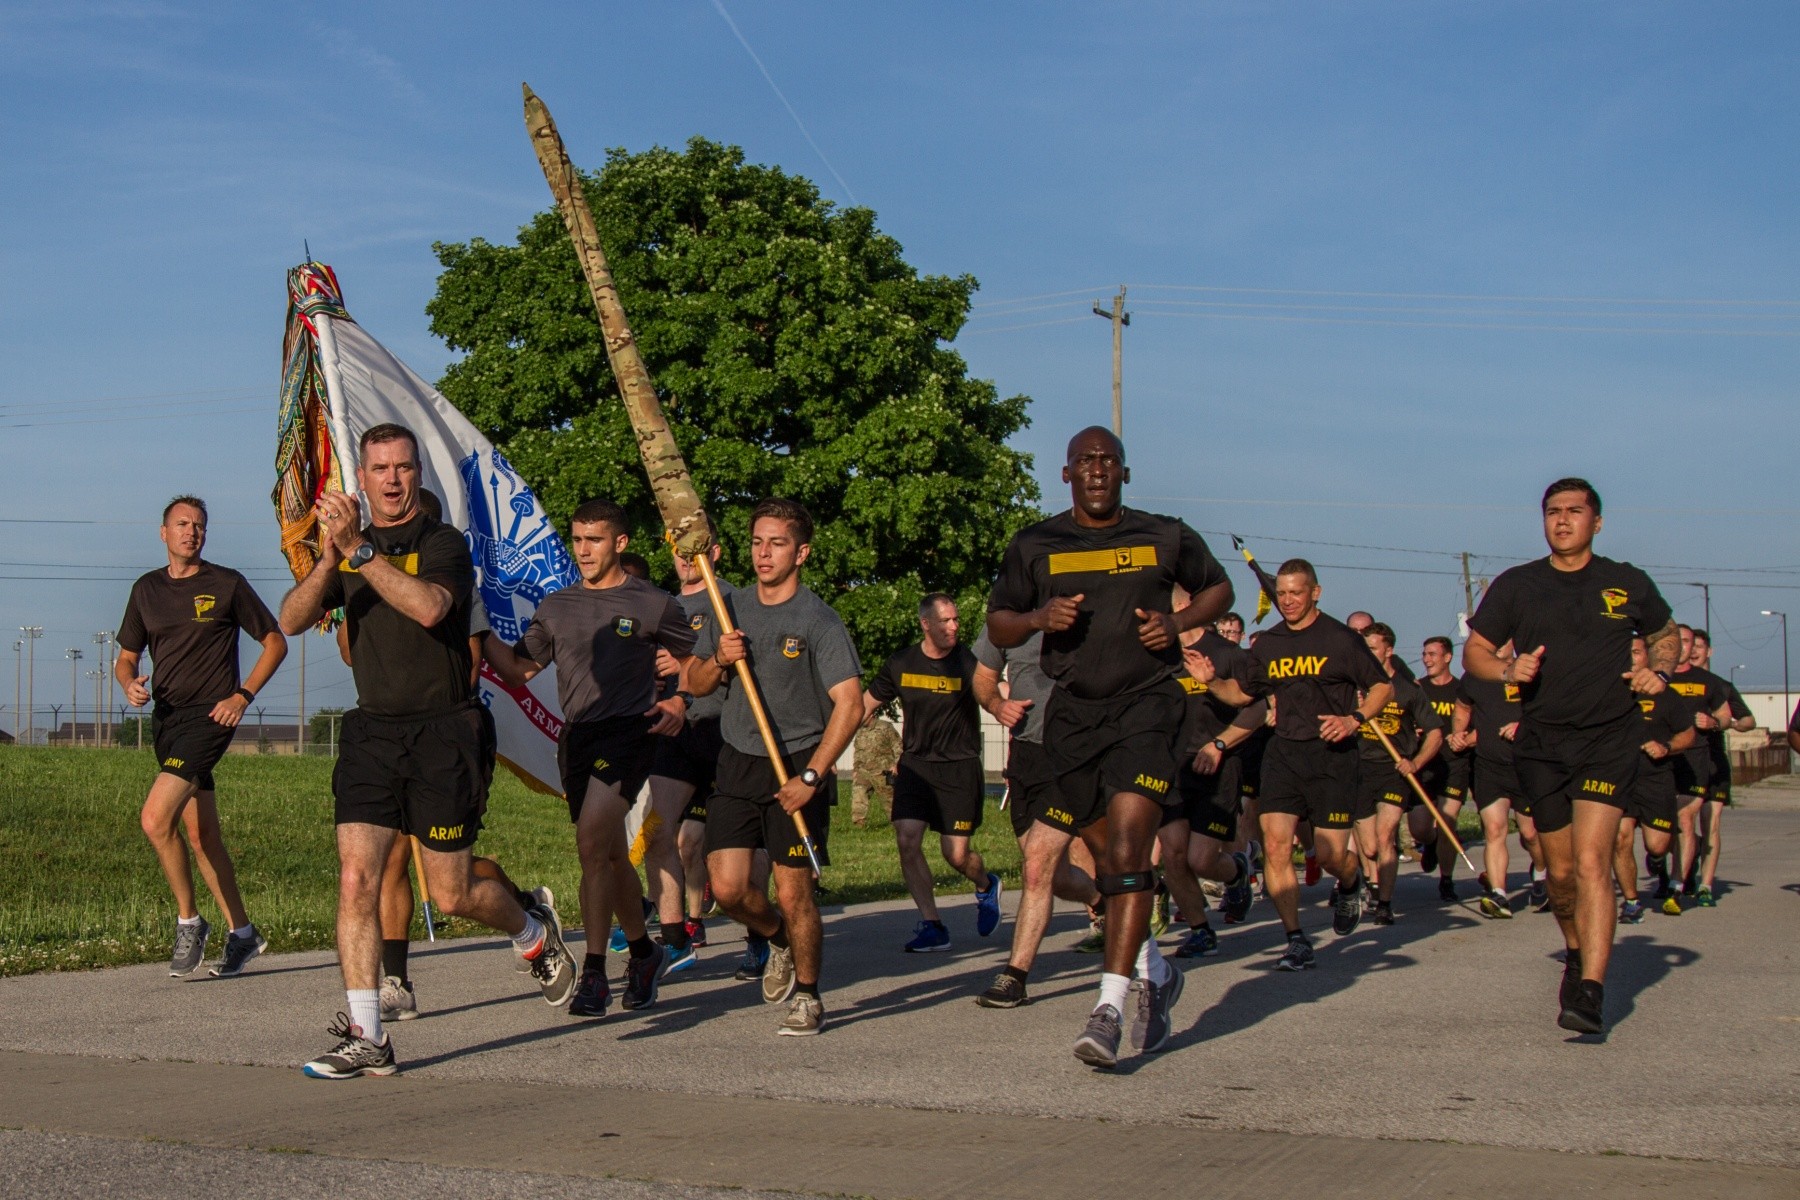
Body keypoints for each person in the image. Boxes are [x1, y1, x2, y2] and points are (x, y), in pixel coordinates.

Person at [279, 423, 577, 1078]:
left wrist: (360, 553)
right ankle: (369, 1035)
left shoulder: (444, 544)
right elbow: (292, 620)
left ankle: (529, 927)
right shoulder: (349, 552)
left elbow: (429, 607)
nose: (392, 478)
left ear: (417, 473)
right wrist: (331, 559)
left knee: (452, 894)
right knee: (358, 877)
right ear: (365, 475)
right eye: (380, 468)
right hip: (373, 732)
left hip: (445, 732)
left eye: (403, 467)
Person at [987, 426, 1232, 1068]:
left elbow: (1219, 589)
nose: (1096, 469)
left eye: (1107, 460)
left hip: (1148, 706)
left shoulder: (1163, 535)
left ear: (1124, 471)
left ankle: (1109, 1007)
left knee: (1128, 849)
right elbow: (998, 620)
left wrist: (1177, 624)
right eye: (1084, 461)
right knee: (1098, 852)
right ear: (1066, 475)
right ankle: (1157, 971)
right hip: (1074, 717)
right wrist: (1040, 620)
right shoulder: (1036, 544)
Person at [1463, 477, 1677, 1035]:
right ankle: (1576, 952)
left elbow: (1665, 633)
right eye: (1553, 512)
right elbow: (1476, 651)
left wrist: (1661, 668)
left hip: (1608, 739)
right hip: (1543, 744)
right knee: (1559, 874)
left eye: (1575, 512)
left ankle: (1590, 991)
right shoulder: (1518, 586)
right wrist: (1507, 670)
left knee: (1591, 864)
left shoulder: (1625, 582)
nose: (1562, 521)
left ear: (1596, 522)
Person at [480, 499, 698, 1018]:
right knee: (605, 854)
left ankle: (595, 971)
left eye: (594, 540)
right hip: (576, 739)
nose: (582, 550)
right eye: (577, 539)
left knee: (590, 840)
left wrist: (680, 699)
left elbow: (700, 662)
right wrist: (473, 626)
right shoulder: (557, 606)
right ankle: (646, 953)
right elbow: (518, 669)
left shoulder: (654, 603)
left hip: (630, 733)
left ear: (619, 543)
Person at [355, 489, 557, 1024]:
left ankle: (522, 904)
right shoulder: (371, 575)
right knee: (393, 859)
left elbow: (490, 664)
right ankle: (395, 979)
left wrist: (559, 641)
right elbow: (353, 652)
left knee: (448, 877)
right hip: (390, 735)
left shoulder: (455, 586)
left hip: (447, 734)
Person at [686, 498, 865, 1037]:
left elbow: (850, 704)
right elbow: (692, 683)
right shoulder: (728, 606)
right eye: (758, 542)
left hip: (796, 764)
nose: (764, 553)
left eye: (778, 543)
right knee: (728, 888)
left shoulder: (818, 620)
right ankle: (778, 938)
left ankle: (809, 996)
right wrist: (718, 658)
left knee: (794, 892)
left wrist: (812, 776)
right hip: (739, 757)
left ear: (801, 552)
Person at [116, 495, 288, 979]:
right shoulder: (146, 589)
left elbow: (275, 641)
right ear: (164, 532)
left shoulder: (227, 583)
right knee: (201, 835)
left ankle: (189, 921)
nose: (192, 532)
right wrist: (128, 682)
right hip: (166, 721)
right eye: (182, 524)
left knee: (155, 819)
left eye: (199, 525)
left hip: (210, 719)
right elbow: (126, 657)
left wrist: (243, 695)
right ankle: (244, 935)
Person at [1207, 561, 1391, 971]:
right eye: (1282, 594)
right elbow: (1242, 695)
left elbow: (1382, 685)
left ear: (1315, 593)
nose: (1287, 601)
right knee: (1275, 846)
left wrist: (1353, 720)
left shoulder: (1341, 640)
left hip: (1333, 757)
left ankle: (1349, 880)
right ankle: (1295, 938)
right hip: (1284, 754)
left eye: (1296, 592)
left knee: (1328, 854)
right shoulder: (1268, 643)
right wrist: (1211, 682)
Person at [971, 627, 1100, 1007]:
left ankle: (1015, 976)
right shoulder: (1011, 616)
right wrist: (996, 705)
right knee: (1054, 876)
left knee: (1036, 866)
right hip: (1026, 756)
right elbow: (983, 678)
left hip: (1075, 755)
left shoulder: (1089, 615)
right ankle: (1102, 898)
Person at [866, 593, 1001, 952]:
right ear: (926, 624)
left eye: (956, 619)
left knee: (956, 856)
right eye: (946, 621)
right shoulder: (902, 663)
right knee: (907, 839)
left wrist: (1008, 706)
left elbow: (993, 694)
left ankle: (986, 886)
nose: (955, 626)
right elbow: (863, 705)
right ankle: (933, 925)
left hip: (958, 767)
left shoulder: (968, 663)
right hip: (915, 765)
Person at [643, 541, 735, 971]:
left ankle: (760, 937)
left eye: (692, 550)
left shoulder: (733, 600)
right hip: (677, 732)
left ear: (712, 552)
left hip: (727, 733)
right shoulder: (666, 606)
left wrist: (681, 662)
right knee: (659, 834)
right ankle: (676, 939)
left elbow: (735, 667)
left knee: (730, 854)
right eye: (676, 550)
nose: (682, 558)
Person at [1163, 621, 1258, 953]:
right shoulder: (1158, 653)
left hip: (1217, 764)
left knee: (1201, 860)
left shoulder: (1228, 653)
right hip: (1173, 768)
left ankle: (1235, 873)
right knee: (1172, 855)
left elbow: (1258, 707)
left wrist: (1219, 745)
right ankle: (1200, 930)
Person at [1351, 622, 1443, 925]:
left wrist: (1414, 762)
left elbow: (1434, 734)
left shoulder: (1407, 690)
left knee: (1385, 834)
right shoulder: (1357, 689)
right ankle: (1372, 883)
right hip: (1361, 768)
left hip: (1393, 769)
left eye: (1374, 648)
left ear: (1388, 650)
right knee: (1369, 846)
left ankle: (1385, 903)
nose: (1369, 655)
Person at [1616, 636, 1696, 924]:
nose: (1631, 659)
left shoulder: (1666, 694)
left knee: (1657, 845)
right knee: (1620, 839)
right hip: (1619, 778)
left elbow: (1688, 734)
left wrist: (1667, 747)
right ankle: (1632, 901)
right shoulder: (1610, 692)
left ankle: (1659, 862)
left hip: (1655, 778)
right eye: (1625, 653)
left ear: (1648, 658)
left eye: (1636, 653)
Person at [1449, 656, 1538, 916]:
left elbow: (1550, 708)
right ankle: (1498, 894)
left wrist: (1524, 726)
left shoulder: (1529, 670)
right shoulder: (1475, 675)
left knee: (1530, 834)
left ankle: (1541, 873)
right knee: (1494, 829)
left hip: (1525, 764)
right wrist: (1458, 733)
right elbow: (1463, 707)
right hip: (1489, 766)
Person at [1687, 629, 1756, 905]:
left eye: (1699, 646)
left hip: (1713, 762)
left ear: (1709, 651)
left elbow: (1748, 719)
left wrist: (1734, 723)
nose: (1693, 651)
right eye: (1690, 645)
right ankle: (1692, 851)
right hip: (1682, 763)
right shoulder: (1675, 684)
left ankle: (1705, 885)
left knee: (1710, 822)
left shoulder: (1721, 685)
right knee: (1678, 825)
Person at [1414, 636, 1471, 878]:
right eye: (1425, 654)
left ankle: (1446, 880)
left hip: (1454, 765)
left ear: (1448, 657)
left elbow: (1474, 723)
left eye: (1433, 654)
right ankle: (1430, 842)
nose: (1427, 659)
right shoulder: (1418, 689)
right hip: (1425, 765)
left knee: (1448, 823)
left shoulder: (1461, 691)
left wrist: (1464, 738)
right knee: (1420, 829)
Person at [852, 716, 900, 826]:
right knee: (858, 798)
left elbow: (898, 746)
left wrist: (896, 765)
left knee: (890, 801)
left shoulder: (885, 727)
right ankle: (859, 824)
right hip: (863, 771)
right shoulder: (860, 730)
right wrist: (856, 769)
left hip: (883, 772)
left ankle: (898, 823)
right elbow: (858, 752)